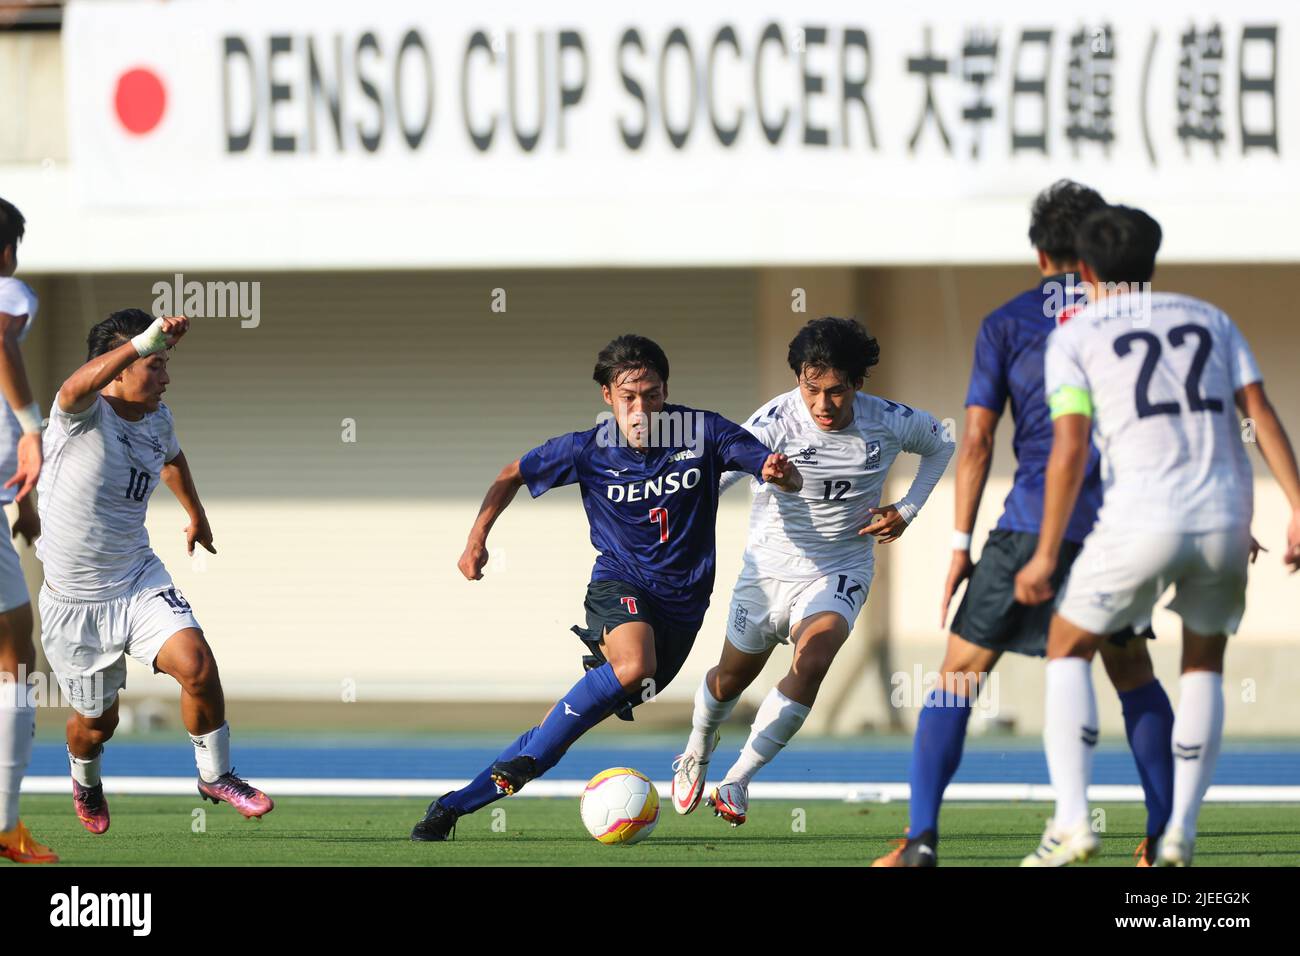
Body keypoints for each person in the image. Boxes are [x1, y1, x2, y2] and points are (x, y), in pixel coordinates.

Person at [874, 181, 1174, 867]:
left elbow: (976, 441)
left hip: (1032, 523)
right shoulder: (1141, 316)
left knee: (956, 675)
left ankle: (921, 841)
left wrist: (958, 544)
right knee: (1132, 672)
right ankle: (1163, 840)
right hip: (1119, 527)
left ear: (1040, 255)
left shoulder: (1008, 321)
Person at [411, 334, 801, 841]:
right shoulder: (587, 449)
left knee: (590, 715)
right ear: (607, 398)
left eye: (653, 394)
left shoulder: (702, 431)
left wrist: (779, 473)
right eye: (629, 397)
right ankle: (607, 666)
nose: (642, 408)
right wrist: (475, 539)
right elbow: (510, 474)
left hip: (683, 605)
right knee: (636, 666)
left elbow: (770, 468)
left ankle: (452, 806)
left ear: (666, 390)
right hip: (619, 582)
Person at [1016, 204, 1300, 866]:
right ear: (1152, 260)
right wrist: (1297, 501)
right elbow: (1258, 410)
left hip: (1141, 514)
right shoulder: (1209, 318)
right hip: (1227, 515)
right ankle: (1180, 836)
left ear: (1082, 269)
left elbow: (1069, 449)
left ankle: (1071, 822)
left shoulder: (1075, 335)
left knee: (1067, 645)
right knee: (1204, 663)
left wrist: (1048, 551)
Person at [671, 317, 952, 826]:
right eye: (812, 388)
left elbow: (941, 446)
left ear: (858, 384)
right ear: (799, 378)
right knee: (731, 678)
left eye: (837, 391)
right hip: (767, 571)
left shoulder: (889, 419)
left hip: (839, 567)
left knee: (813, 660)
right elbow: (718, 474)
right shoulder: (774, 420)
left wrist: (906, 511)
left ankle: (738, 779)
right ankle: (696, 747)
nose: (823, 404)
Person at [37, 309, 274, 835]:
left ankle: (217, 775)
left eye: (166, 364)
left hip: (138, 578)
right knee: (98, 726)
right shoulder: (82, 412)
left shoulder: (159, 417)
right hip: (74, 603)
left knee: (197, 665)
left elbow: (170, 458)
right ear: (119, 367)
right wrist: (143, 341)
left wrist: (196, 512)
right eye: (154, 365)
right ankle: (86, 779)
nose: (165, 377)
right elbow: (74, 384)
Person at [0, 196, 55, 863]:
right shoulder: (10, 290)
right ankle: (6, 824)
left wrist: (22, 501)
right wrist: (35, 429)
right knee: (16, 659)